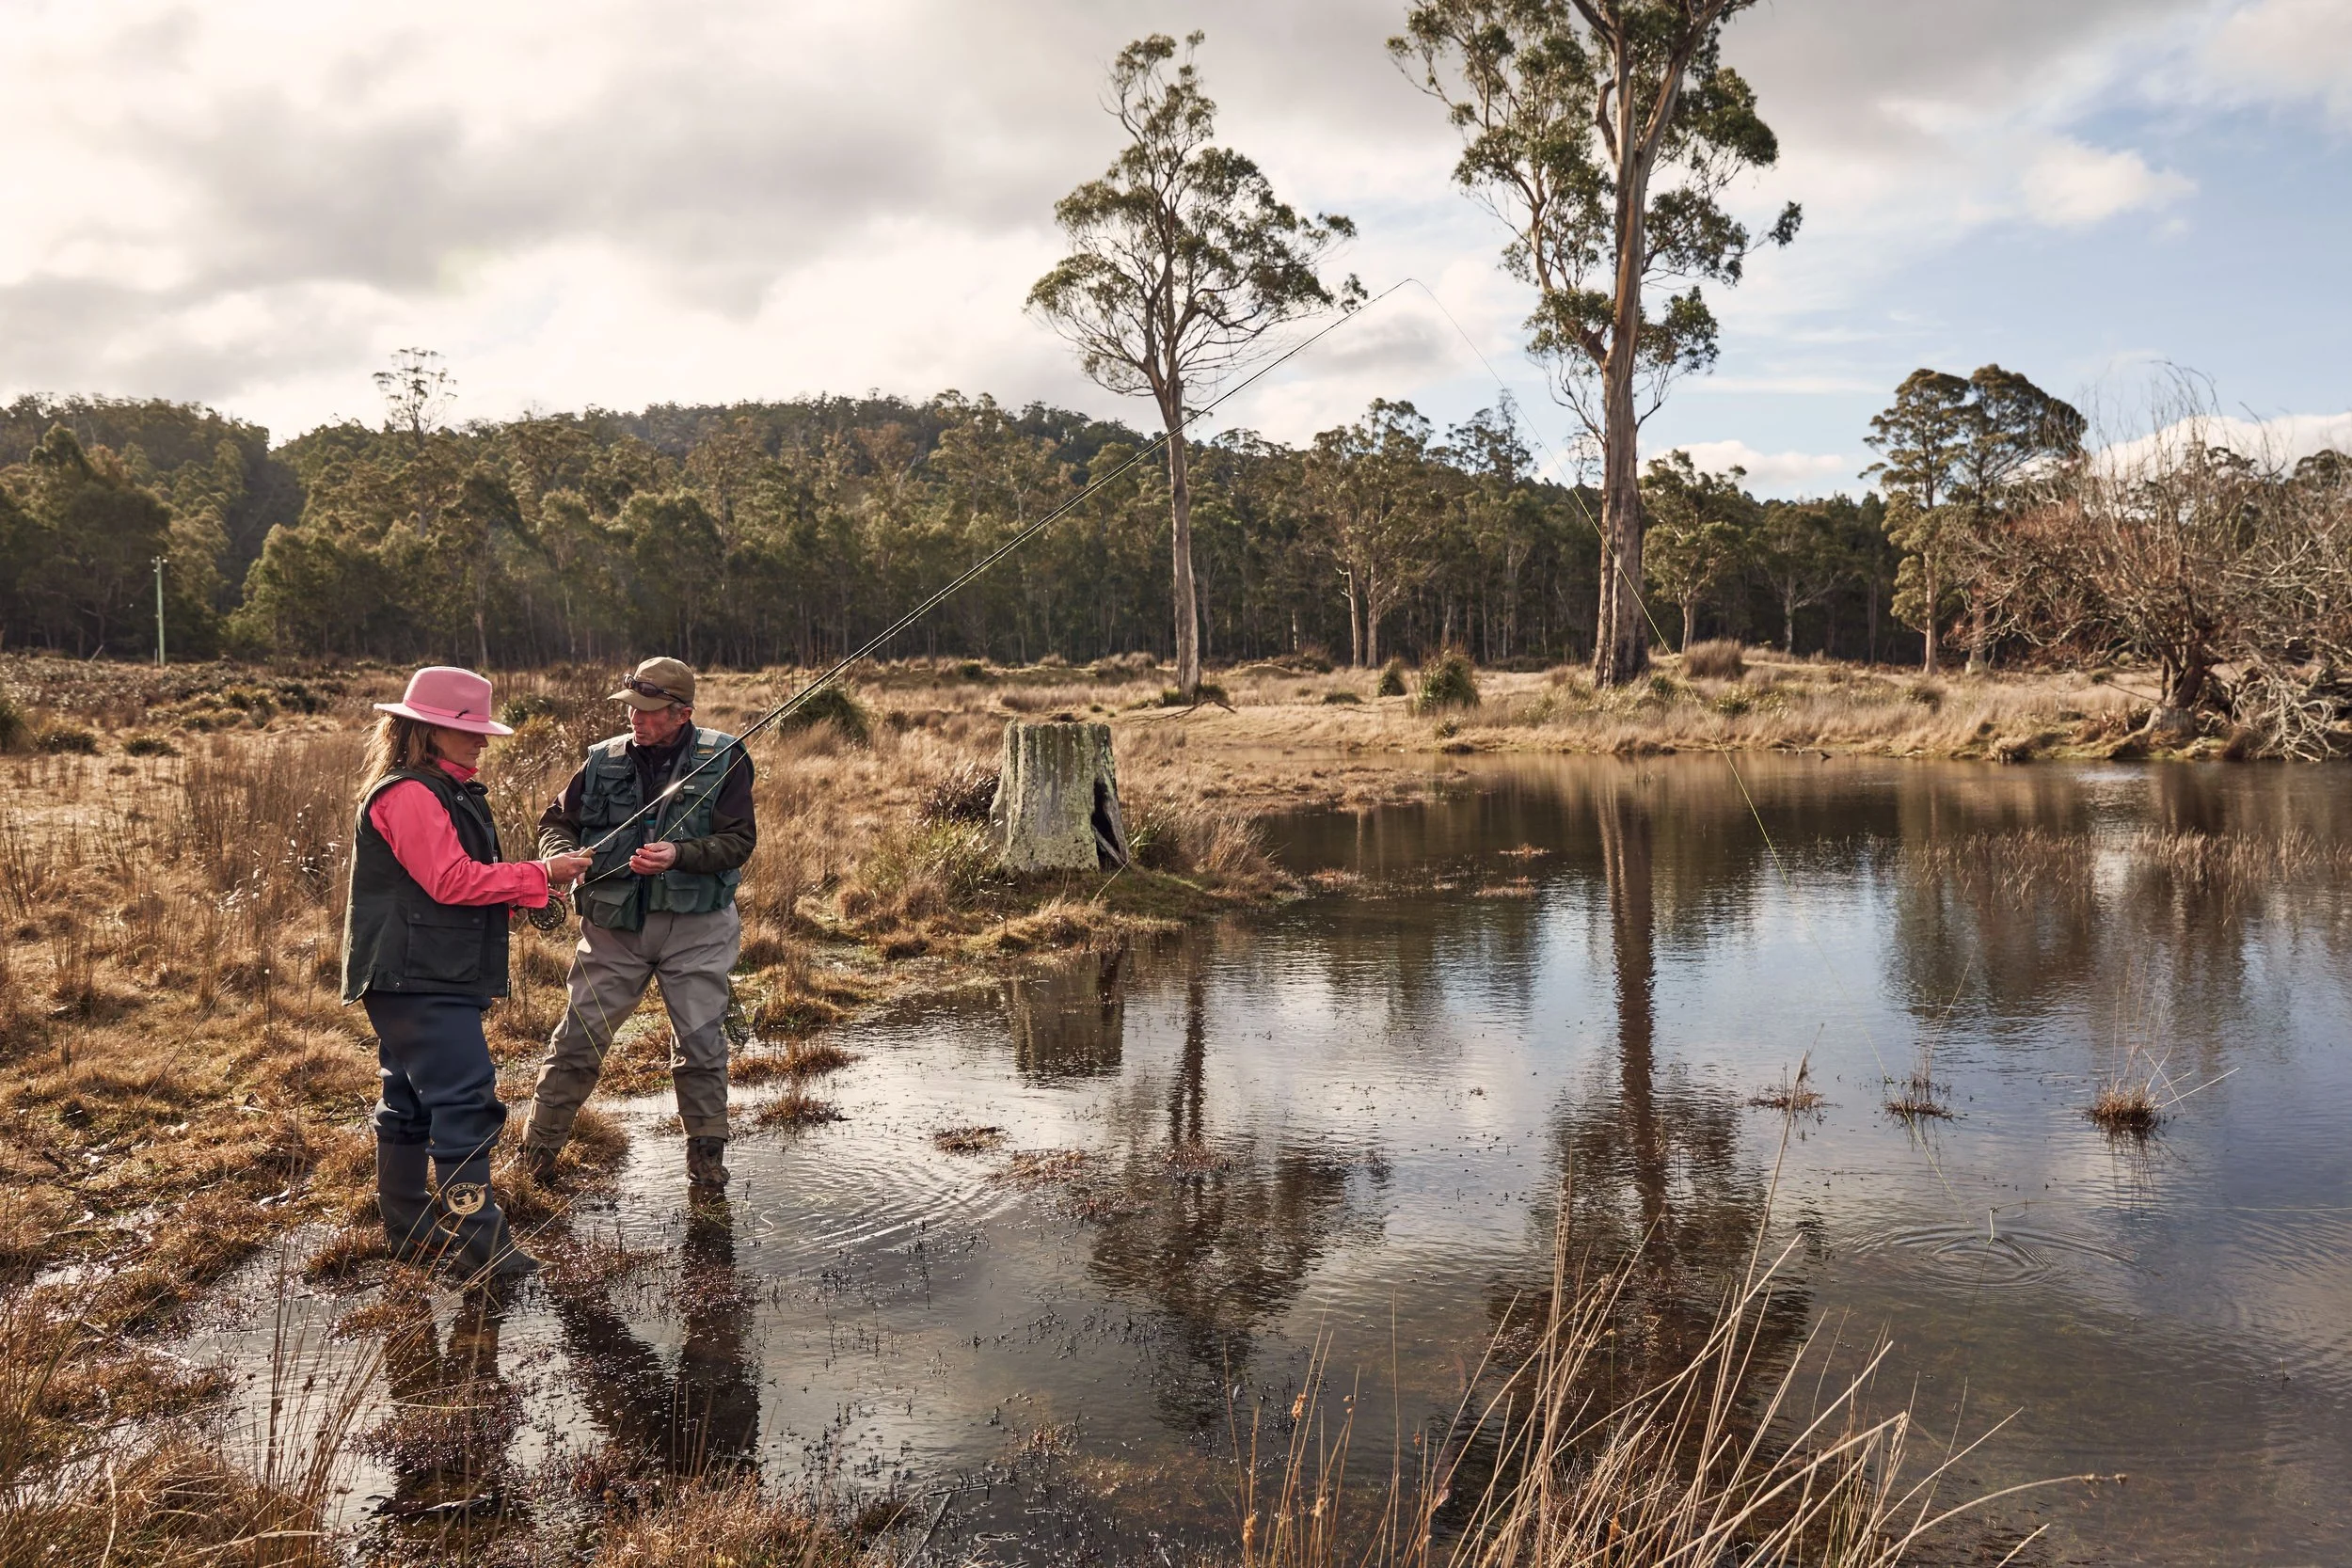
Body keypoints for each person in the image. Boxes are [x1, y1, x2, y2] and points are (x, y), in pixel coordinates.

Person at [342, 665, 593, 1279]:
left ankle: (409, 1228)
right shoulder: (409, 794)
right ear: (426, 732)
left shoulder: (441, 792)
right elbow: (450, 880)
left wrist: (528, 892)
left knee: (409, 1101)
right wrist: (540, 875)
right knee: (467, 1097)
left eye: (483, 731)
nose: (482, 741)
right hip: (416, 978)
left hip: (422, 975)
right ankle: (481, 1240)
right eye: (470, 731)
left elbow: (444, 884)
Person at [518, 657, 755, 1188]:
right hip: (612, 931)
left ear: (681, 713)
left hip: (696, 928)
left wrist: (680, 854)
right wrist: (563, 857)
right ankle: (537, 1157)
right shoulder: (600, 760)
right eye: (631, 709)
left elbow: (740, 841)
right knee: (576, 1040)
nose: (636, 720)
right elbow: (556, 822)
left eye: (648, 712)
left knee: (701, 1044)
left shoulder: (725, 759)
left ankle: (707, 1161)